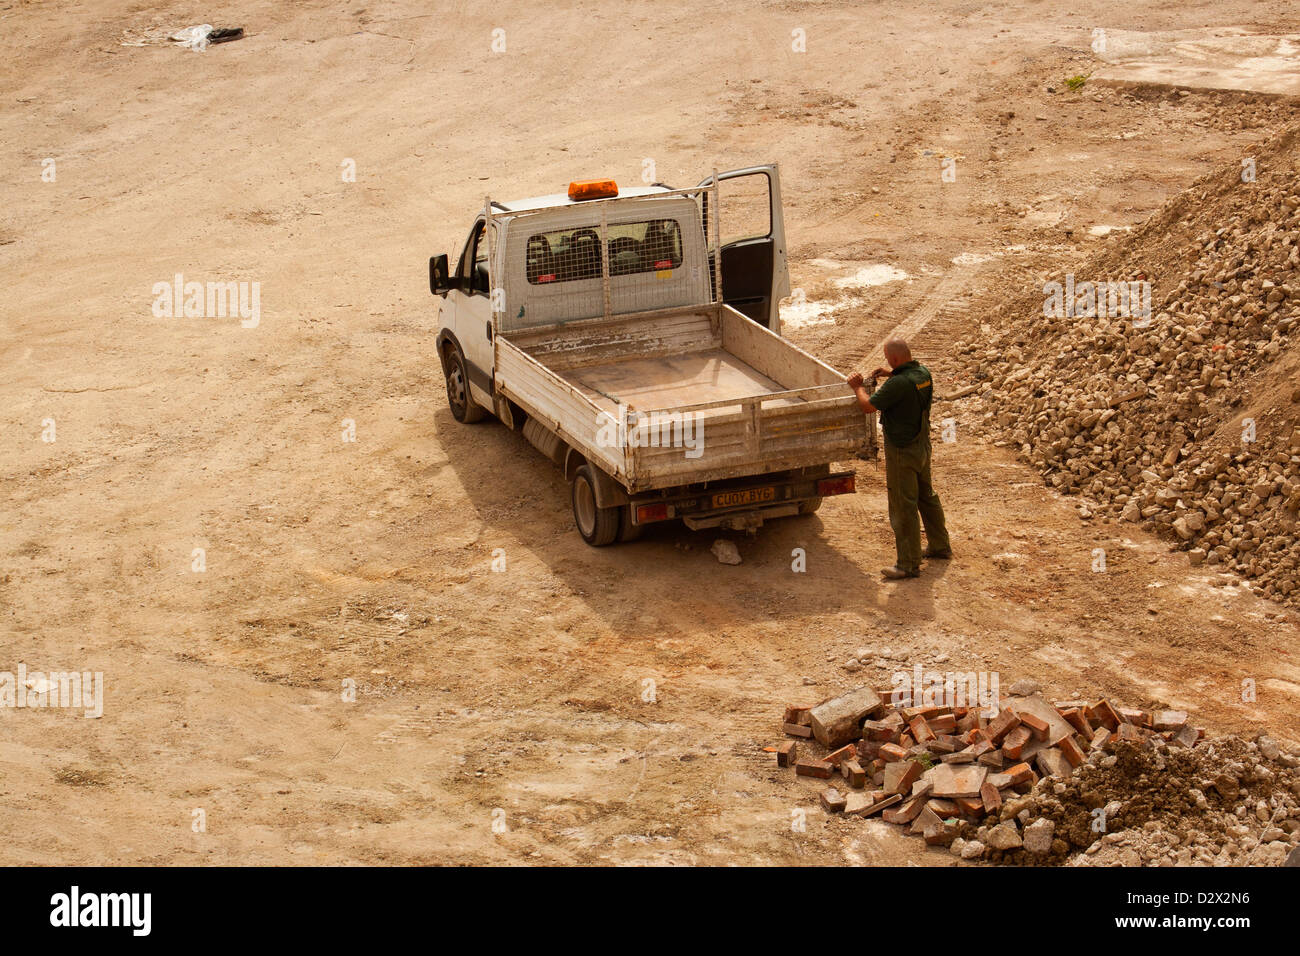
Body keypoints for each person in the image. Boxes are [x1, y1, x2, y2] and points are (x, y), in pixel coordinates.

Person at [847, 339, 952, 579]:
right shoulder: (922, 373)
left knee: (903, 505)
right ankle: (939, 545)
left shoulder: (898, 384)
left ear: (893, 359)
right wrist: (890, 373)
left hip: (902, 450)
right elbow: (906, 381)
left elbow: (868, 407)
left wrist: (857, 387)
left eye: (887, 360)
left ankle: (907, 563)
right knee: (927, 496)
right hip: (922, 445)